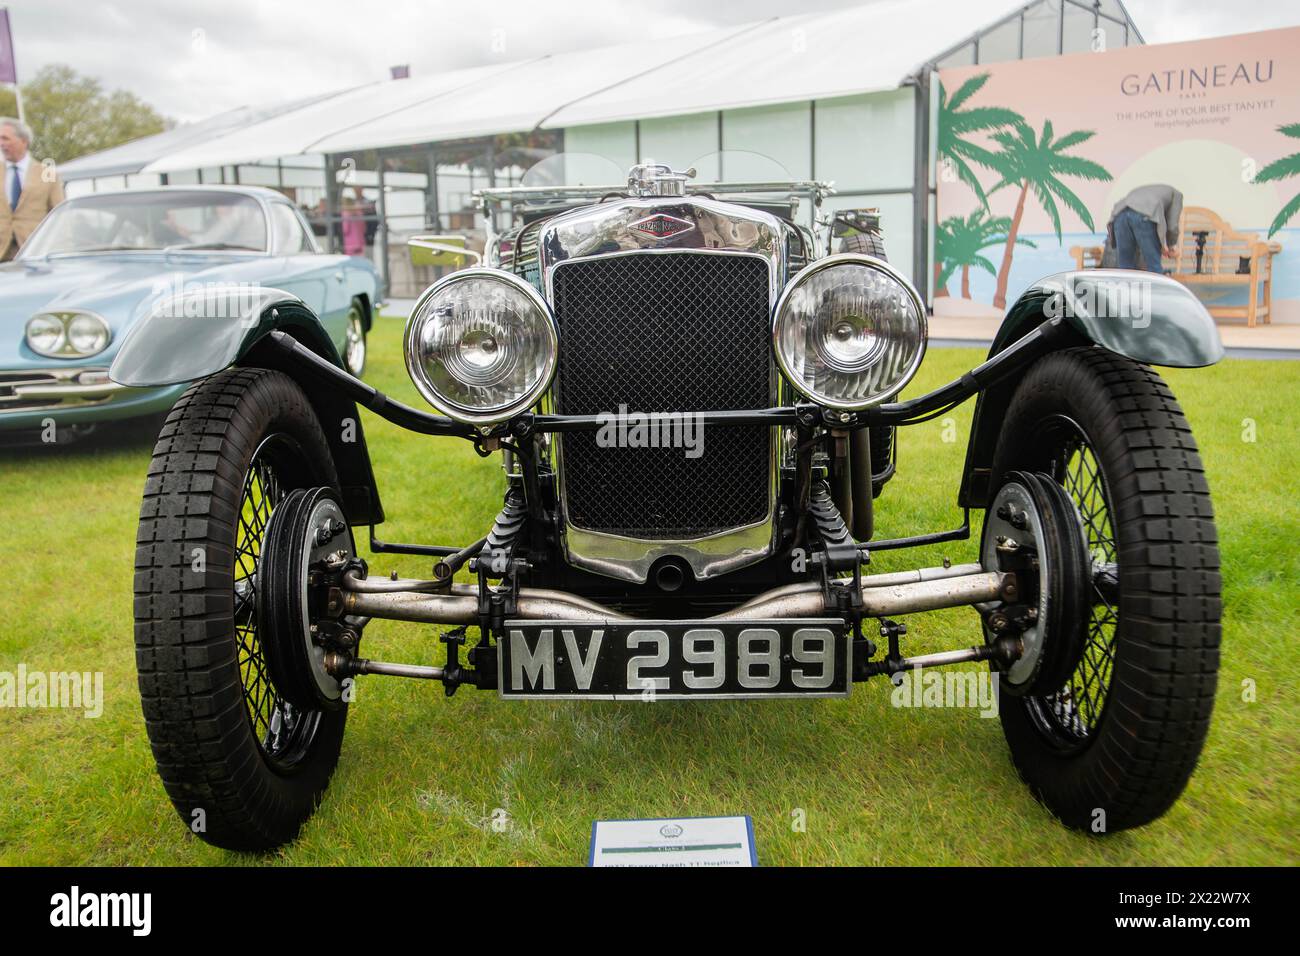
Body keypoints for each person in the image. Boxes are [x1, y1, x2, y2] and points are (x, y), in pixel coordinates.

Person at [0, 117, 65, 261]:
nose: (1, 144)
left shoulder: (47, 173)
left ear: (23, 141)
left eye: (5, 139)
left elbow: (58, 213)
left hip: (33, 250)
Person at [1109, 183, 1182, 273]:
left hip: (1119, 214)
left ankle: (1127, 286)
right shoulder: (1177, 195)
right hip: (1143, 215)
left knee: (1125, 268)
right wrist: (1172, 245)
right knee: (1154, 266)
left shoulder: (1150, 190)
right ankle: (1156, 287)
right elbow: (1172, 225)